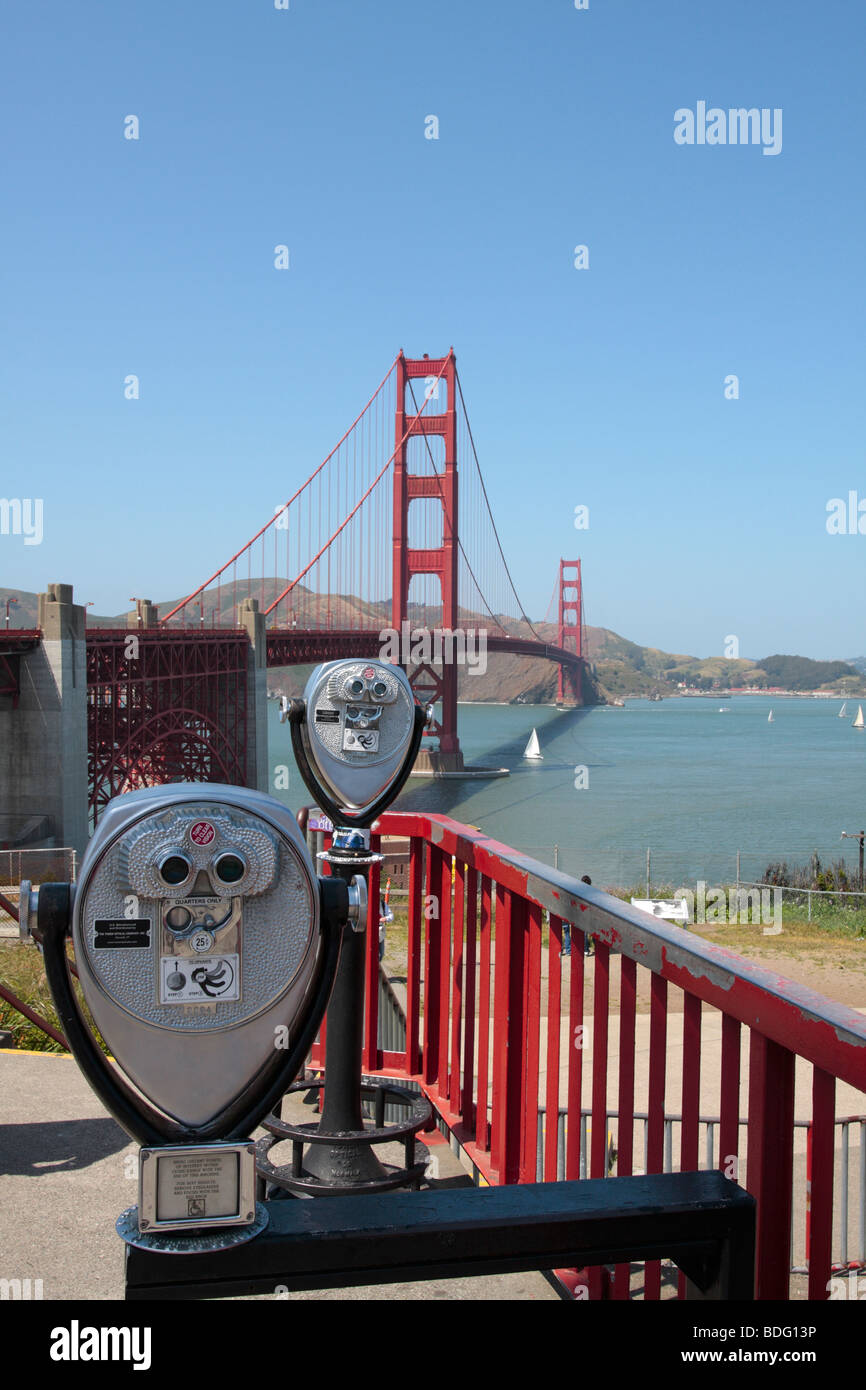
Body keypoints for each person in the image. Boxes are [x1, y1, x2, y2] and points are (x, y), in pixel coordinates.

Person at [560, 875, 592, 956]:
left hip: (569, 914)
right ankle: (585, 949)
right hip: (584, 914)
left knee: (567, 933)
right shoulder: (589, 891)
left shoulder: (576, 891)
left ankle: (568, 950)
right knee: (584, 932)